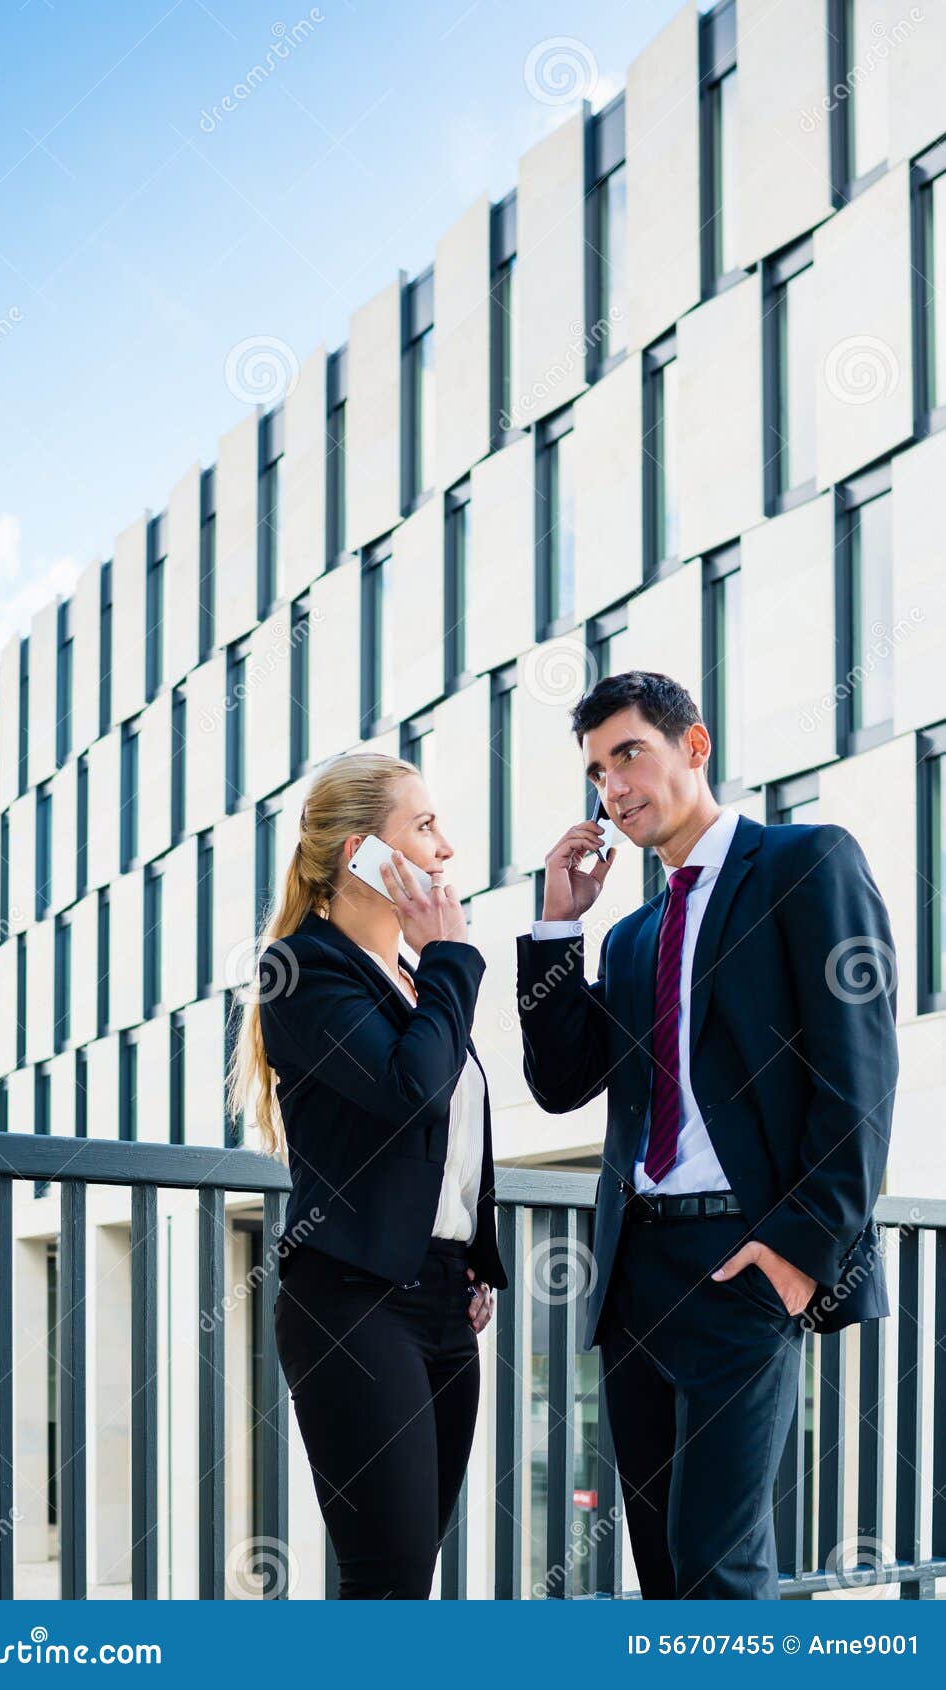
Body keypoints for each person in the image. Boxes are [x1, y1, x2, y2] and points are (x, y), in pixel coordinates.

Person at [516, 670, 898, 1600]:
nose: (614, 789)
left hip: (746, 1259)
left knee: (719, 1567)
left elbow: (859, 1076)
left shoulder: (806, 864)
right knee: (663, 1567)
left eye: (630, 754)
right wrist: (558, 927)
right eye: (599, 771)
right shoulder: (634, 936)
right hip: (638, 1273)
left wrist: (802, 1249)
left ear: (695, 746)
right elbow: (563, 1084)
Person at [230, 750, 508, 1599]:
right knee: (385, 1579)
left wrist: (470, 1256)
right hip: (352, 1300)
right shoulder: (306, 970)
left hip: (438, 1301)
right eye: (423, 827)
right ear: (362, 853)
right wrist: (454, 960)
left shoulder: (411, 977)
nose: (446, 850)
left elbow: (451, 1136)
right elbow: (406, 1089)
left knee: (413, 1572)